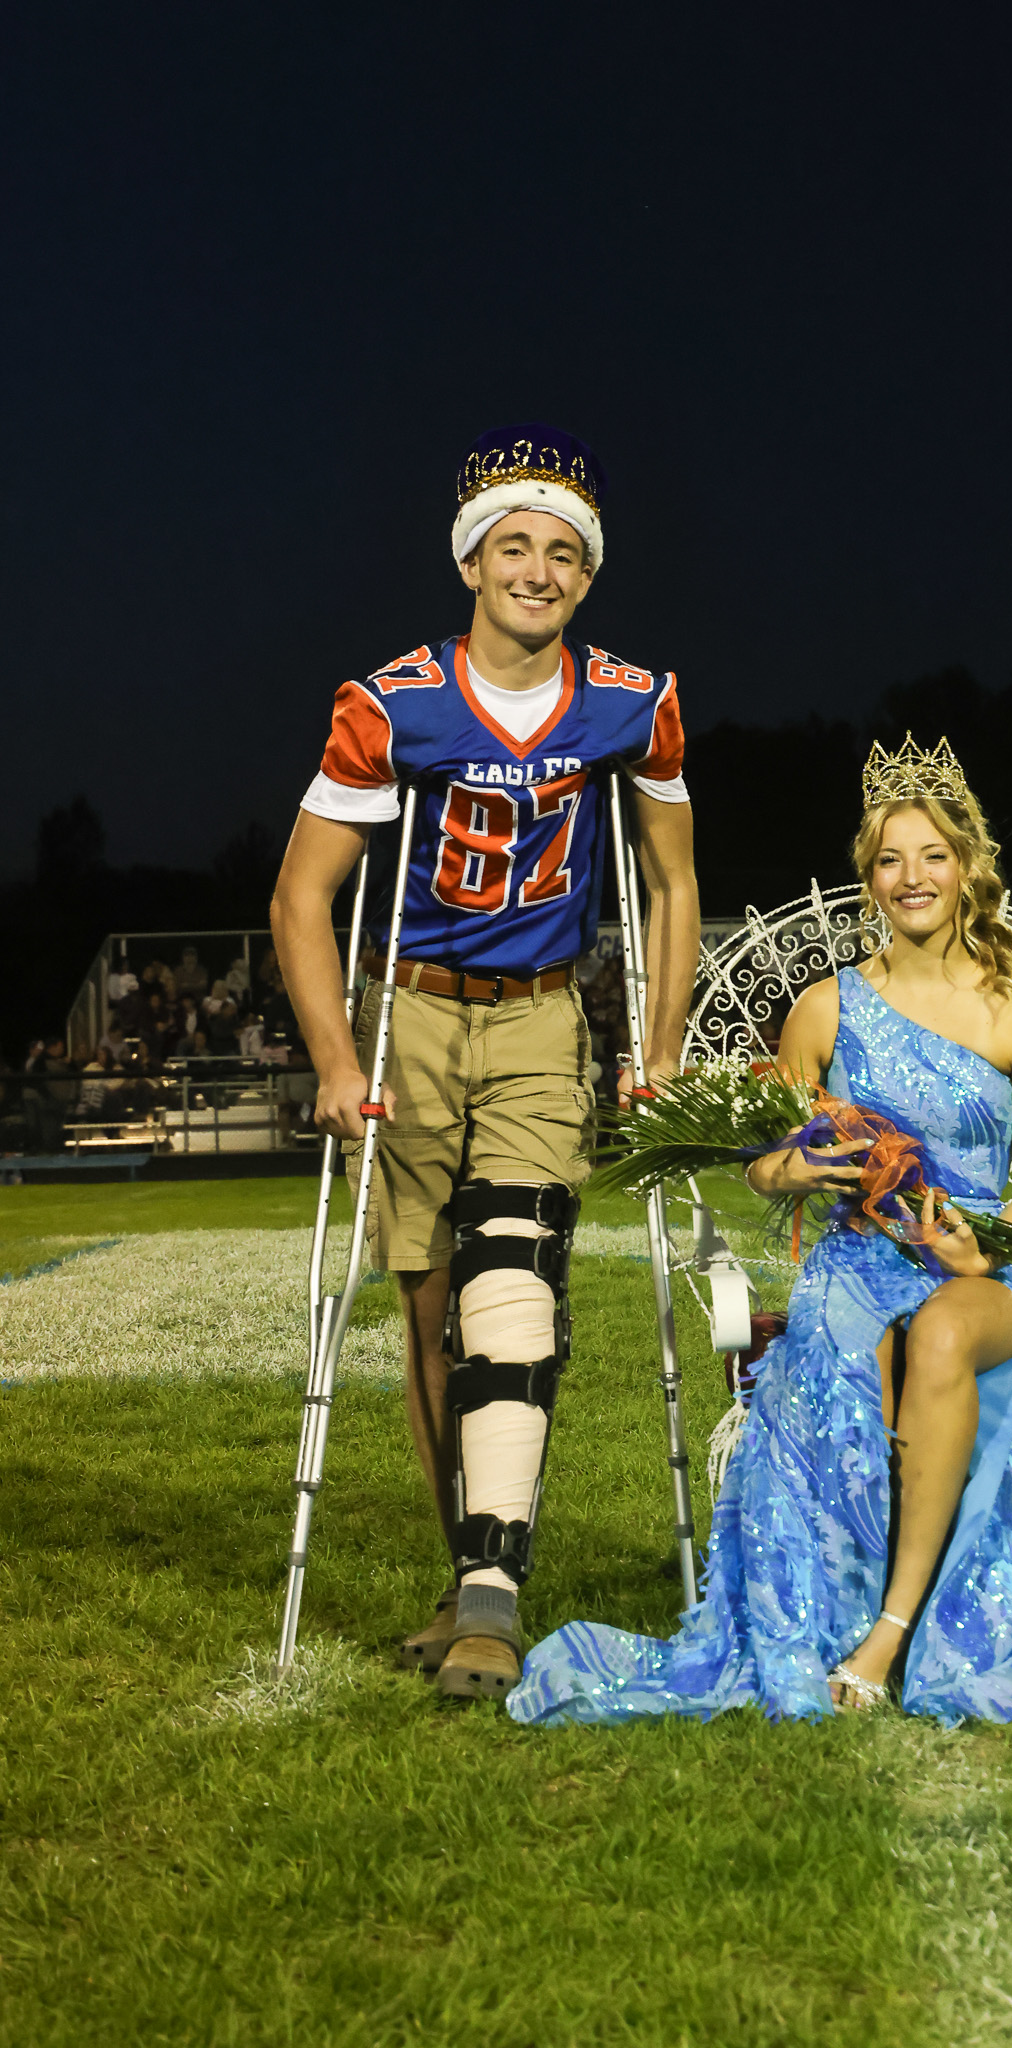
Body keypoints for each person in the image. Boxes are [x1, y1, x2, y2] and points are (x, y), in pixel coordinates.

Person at [509, 732, 1012, 1728]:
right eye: (890, 859)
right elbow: (765, 1164)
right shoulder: (825, 1009)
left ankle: (891, 1631)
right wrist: (798, 1166)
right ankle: (826, 1611)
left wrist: (982, 1246)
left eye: (932, 855)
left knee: (944, 1331)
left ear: (966, 867)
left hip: (982, 1269)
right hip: (860, 1258)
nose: (911, 877)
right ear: (869, 876)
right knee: (838, 1349)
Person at [270, 422, 701, 1705]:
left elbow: (673, 882)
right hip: (410, 1013)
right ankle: (468, 1573)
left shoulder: (633, 700)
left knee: (512, 1280)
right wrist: (336, 1059)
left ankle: (494, 1597)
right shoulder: (391, 704)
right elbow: (302, 896)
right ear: (471, 561)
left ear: (588, 572)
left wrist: (661, 1046)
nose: (537, 570)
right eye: (514, 545)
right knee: (430, 1311)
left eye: (563, 552)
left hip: (541, 1021)